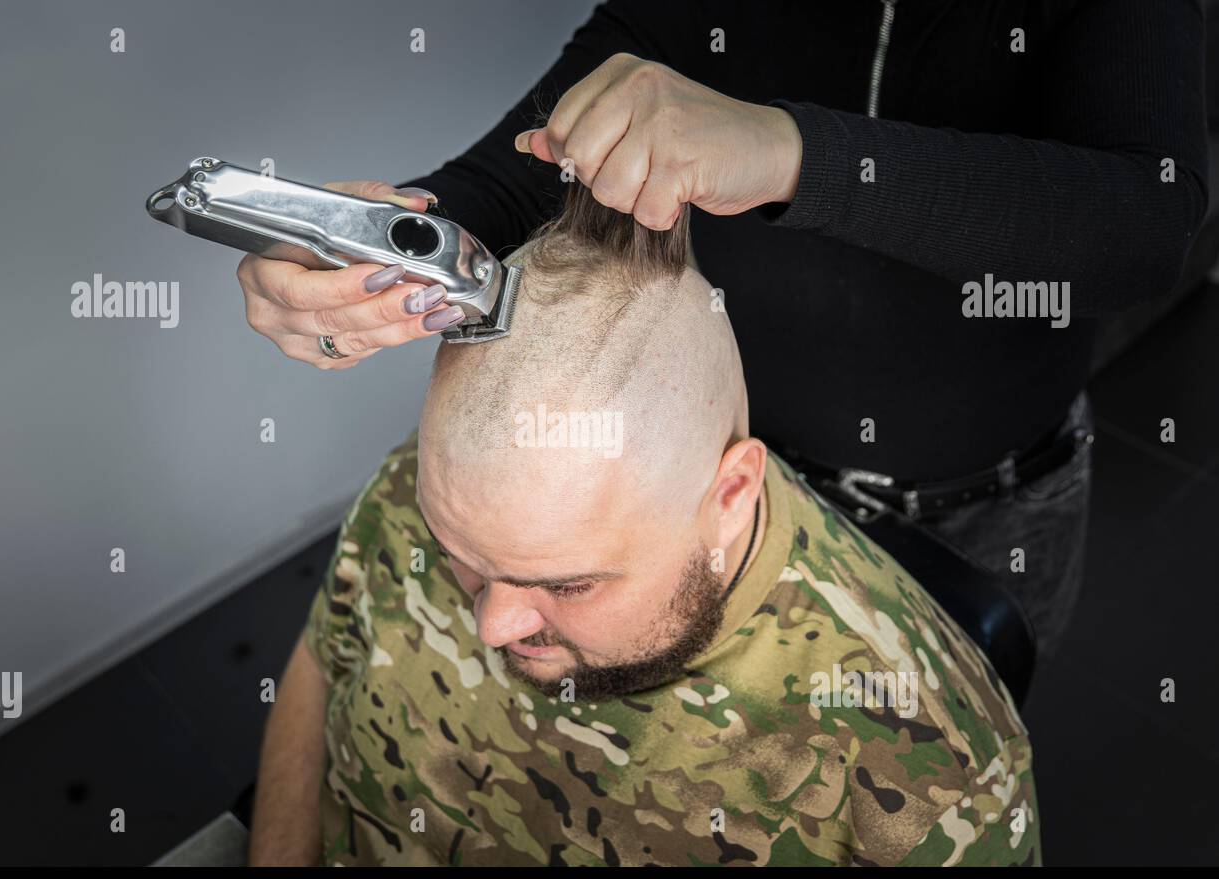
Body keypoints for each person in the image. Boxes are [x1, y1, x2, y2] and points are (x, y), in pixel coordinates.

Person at [235, 1, 1208, 660]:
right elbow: (577, 120)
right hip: (725, 481)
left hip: (985, 503)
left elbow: (1141, 226)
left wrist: (790, 150)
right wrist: (409, 237)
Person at [248, 183, 1040, 867]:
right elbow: (324, 664)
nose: (491, 624)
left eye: (567, 583)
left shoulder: (932, 781)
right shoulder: (442, 494)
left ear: (730, 495)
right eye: (461, 557)